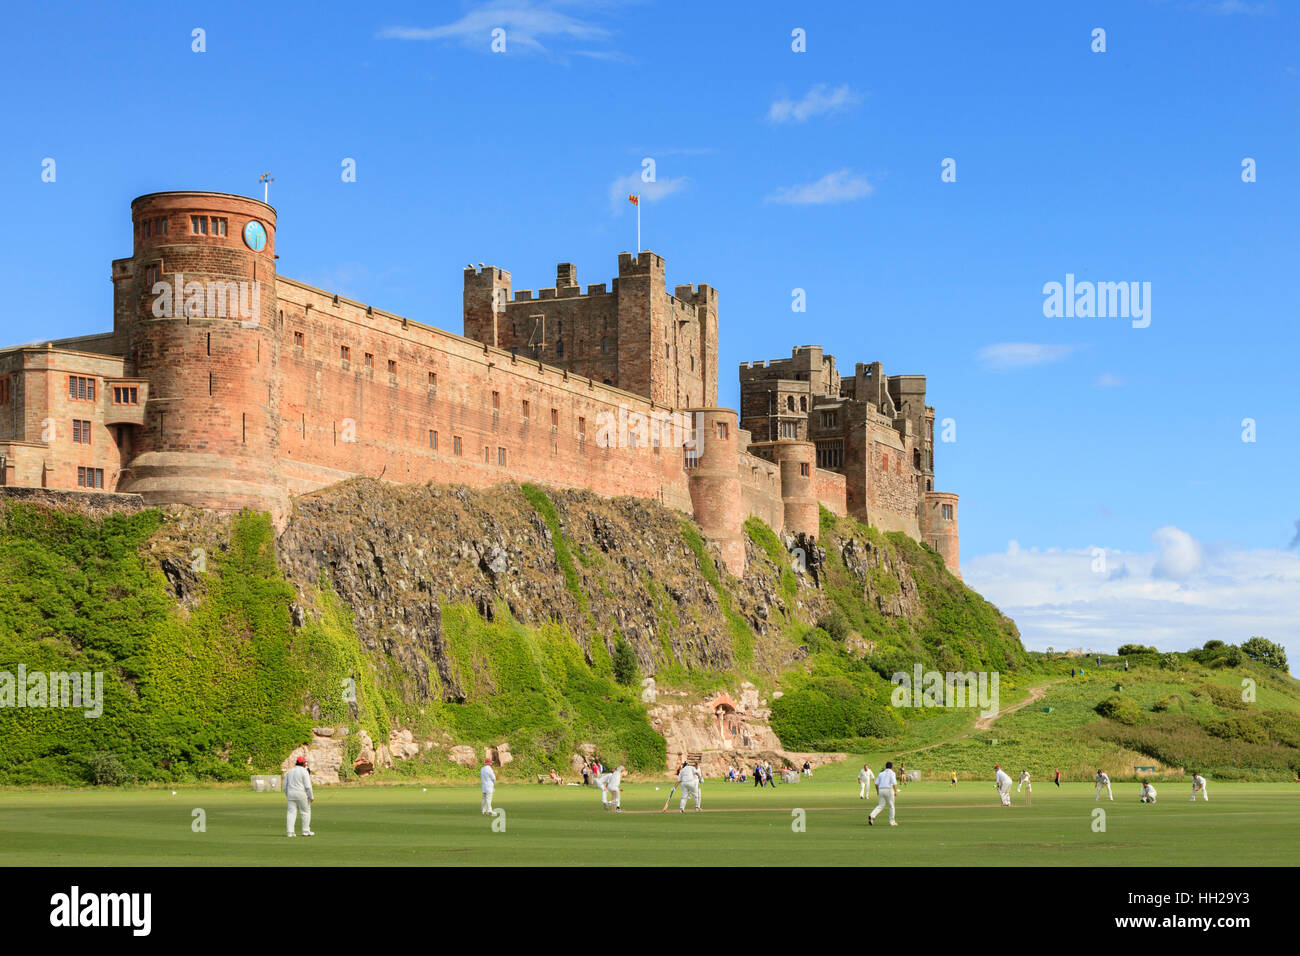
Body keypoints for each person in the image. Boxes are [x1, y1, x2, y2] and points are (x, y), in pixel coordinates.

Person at [284, 755, 314, 837]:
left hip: (291, 794)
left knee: (291, 813)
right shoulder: (304, 772)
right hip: (301, 794)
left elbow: (285, 786)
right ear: (304, 763)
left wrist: (287, 795)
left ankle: (290, 832)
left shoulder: (289, 772)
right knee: (305, 812)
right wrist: (311, 797)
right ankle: (305, 831)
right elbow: (308, 786)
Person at [868, 761, 898, 826]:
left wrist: (877, 791)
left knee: (881, 805)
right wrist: (895, 791)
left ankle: (872, 815)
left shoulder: (881, 773)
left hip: (881, 789)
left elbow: (876, 784)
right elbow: (894, 783)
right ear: (892, 767)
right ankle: (892, 822)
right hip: (888, 790)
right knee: (891, 806)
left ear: (886, 767)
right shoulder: (892, 773)